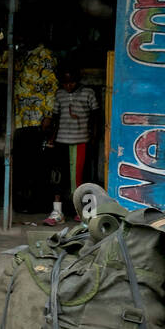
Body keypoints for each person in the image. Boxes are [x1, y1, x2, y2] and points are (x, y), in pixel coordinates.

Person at [42, 69, 99, 225]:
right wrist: (52, 139)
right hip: (62, 140)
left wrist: (93, 138)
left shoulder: (88, 93)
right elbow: (56, 117)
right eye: (65, 82)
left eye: (71, 82)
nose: (68, 86)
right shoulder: (59, 94)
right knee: (58, 178)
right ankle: (57, 212)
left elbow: (95, 117)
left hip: (81, 141)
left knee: (83, 177)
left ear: (78, 79)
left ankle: (86, 212)